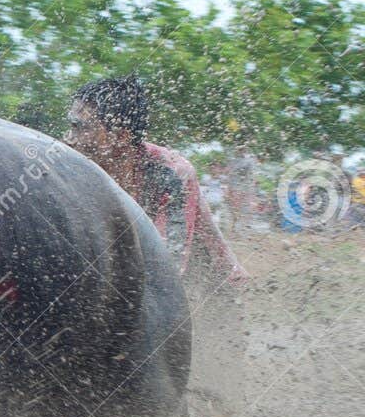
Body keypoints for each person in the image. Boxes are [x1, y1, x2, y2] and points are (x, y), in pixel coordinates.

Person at [65, 75, 243, 280]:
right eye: (70, 125)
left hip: (207, 282)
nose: (68, 139)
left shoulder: (172, 174)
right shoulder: (79, 169)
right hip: (131, 276)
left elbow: (168, 266)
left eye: (80, 128)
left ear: (121, 137)